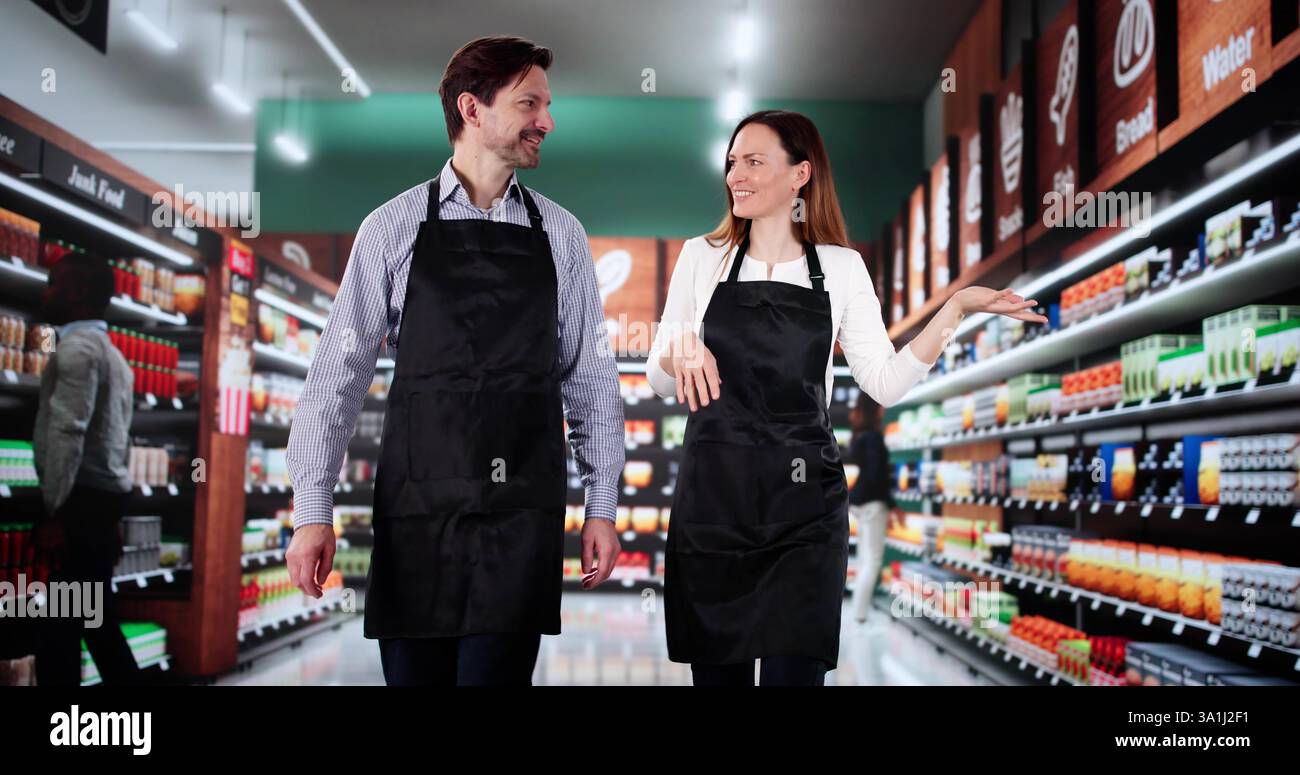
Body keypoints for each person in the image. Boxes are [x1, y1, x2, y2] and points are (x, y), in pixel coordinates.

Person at [647, 110, 1046, 686]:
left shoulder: (840, 268)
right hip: (715, 504)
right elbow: (662, 376)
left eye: (754, 161)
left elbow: (882, 381)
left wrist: (954, 309)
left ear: (800, 174)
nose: (737, 173)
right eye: (732, 161)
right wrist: (681, 348)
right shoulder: (701, 256)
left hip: (803, 511)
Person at [285, 36, 625, 686]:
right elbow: (336, 377)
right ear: (473, 109)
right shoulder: (391, 228)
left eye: (547, 106)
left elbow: (589, 380)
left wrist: (601, 503)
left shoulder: (562, 236)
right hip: (418, 517)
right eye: (530, 103)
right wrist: (313, 510)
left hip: (519, 518)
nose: (547, 122)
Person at [32, 252, 141, 687]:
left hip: (79, 502)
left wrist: (57, 511)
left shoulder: (76, 350)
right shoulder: (113, 354)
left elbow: (68, 432)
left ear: (77, 293)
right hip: (101, 503)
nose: (48, 291)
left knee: (62, 629)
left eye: (54, 282)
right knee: (94, 621)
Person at [847, 391, 903, 624]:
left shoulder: (859, 436)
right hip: (872, 504)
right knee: (872, 560)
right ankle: (860, 615)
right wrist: (891, 506)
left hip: (859, 502)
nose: (884, 408)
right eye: (881, 405)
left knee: (864, 558)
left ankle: (858, 611)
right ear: (874, 409)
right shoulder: (873, 438)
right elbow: (876, 476)